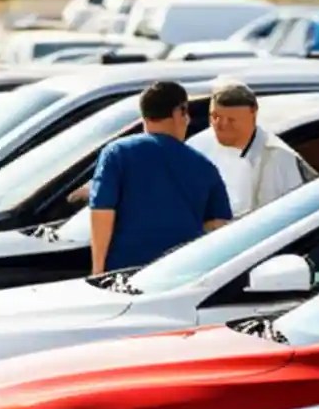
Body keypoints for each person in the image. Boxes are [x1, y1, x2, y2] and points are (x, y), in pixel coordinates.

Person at [89, 81, 232, 275]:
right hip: (181, 275)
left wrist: (98, 271)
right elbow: (219, 226)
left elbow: (102, 213)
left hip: (124, 276)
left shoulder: (117, 153)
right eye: (186, 113)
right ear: (179, 113)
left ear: (144, 115)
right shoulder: (204, 166)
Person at [208, 80, 317, 215]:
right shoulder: (211, 149)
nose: (220, 125)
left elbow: (274, 220)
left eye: (231, 120)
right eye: (215, 117)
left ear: (253, 114)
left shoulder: (276, 158)